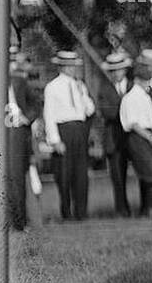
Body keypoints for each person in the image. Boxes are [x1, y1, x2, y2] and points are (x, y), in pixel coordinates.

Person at [42, 49, 96, 221]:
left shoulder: (79, 85)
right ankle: (66, 212)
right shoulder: (52, 87)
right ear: (62, 67)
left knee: (80, 173)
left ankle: (82, 212)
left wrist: (82, 93)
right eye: (69, 66)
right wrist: (55, 140)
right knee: (64, 174)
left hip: (79, 129)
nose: (73, 69)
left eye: (74, 66)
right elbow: (49, 115)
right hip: (63, 129)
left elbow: (89, 109)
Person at [120, 60, 152, 217]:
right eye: (144, 79)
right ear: (137, 79)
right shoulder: (129, 98)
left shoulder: (145, 97)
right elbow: (133, 124)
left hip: (150, 135)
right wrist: (150, 136)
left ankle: (151, 211)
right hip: (138, 138)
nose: (147, 82)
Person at [95, 51, 134, 218]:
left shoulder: (133, 87)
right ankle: (122, 209)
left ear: (124, 70)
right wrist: (127, 112)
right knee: (118, 175)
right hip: (114, 138)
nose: (116, 73)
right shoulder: (104, 89)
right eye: (113, 70)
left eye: (119, 69)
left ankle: (147, 207)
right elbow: (107, 112)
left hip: (133, 137)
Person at [5, 49, 39, 231]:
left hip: (17, 133)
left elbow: (35, 105)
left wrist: (27, 117)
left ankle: (19, 222)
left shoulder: (19, 81)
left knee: (17, 177)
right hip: (2, 131)